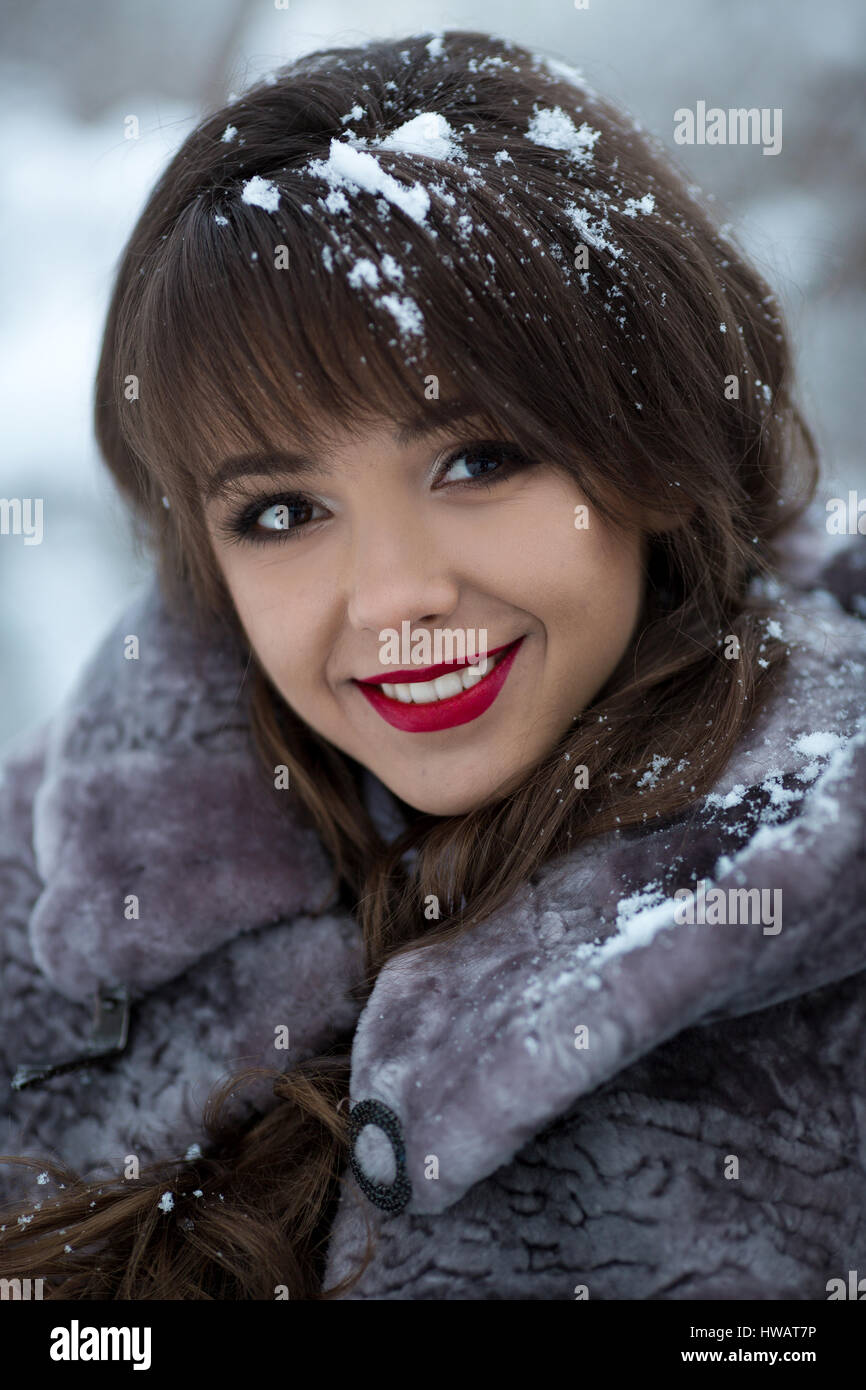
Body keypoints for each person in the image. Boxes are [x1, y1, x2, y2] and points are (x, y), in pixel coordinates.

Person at [1, 28, 864, 1301]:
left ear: (652, 439)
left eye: (478, 459)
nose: (398, 594)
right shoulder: (51, 904)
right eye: (283, 511)